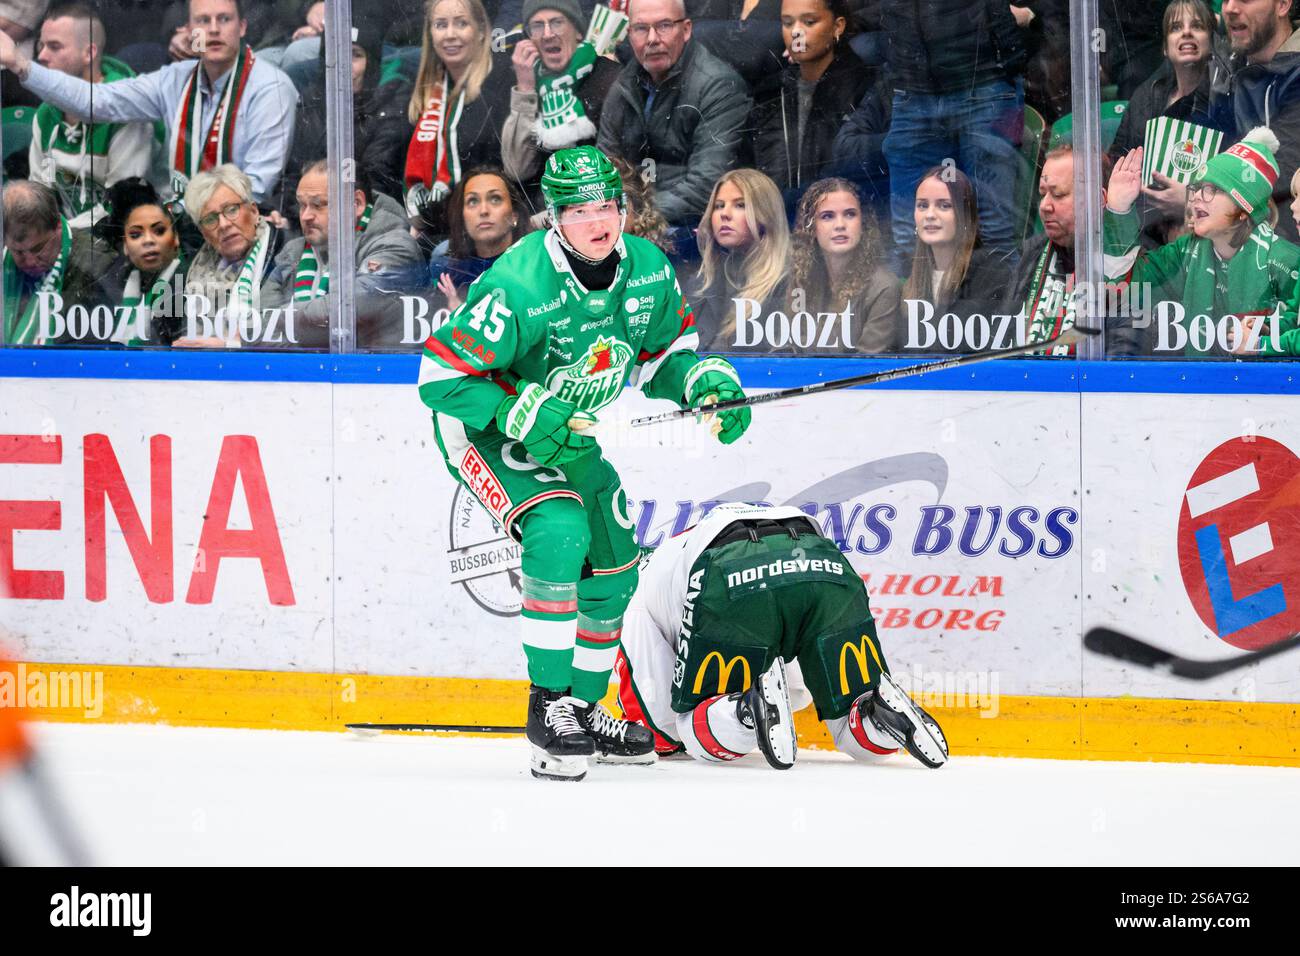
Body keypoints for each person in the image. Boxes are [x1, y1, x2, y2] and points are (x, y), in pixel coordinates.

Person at [417, 145, 753, 781]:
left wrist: (706, 382)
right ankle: (547, 710)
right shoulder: (518, 284)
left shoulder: (648, 270)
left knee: (614, 567)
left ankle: (580, 707)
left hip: (564, 432)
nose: (600, 222)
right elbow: (438, 377)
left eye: (609, 206)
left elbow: (661, 358)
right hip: (483, 428)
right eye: (581, 211)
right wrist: (523, 414)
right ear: (553, 217)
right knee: (559, 529)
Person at [613, 503, 949, 769]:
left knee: (693, 729)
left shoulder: (626, 595)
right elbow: (792, 686)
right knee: (850, 724)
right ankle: (879, 712)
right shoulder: (669, 552)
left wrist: (677, 733)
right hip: (821, 558)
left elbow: (656, 726)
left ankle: (745, 709)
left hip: (732, 572)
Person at [0, 0, 300, 205]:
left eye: (224, 19)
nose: (213, 29)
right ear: (188, 30)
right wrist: (21, 65)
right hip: (181, 224)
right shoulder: (174, 79)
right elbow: (97, 101)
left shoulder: (271, 87)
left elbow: (257, 188)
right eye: (203, 20)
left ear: (243, 27)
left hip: (241, 227)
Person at [1106, 133, 1300, 358]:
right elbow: (1123, 288)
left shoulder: (1287, 262)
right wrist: (1118, 211)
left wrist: (1264, 341)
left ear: (1243, 211)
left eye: (1213, 189)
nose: (1197, 196)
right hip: (1198, 389)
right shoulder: (1185, 252)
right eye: (1198, 188)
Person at [878, 0, 1028, 265]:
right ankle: (918, 305)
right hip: (912, 84)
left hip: (983, 78)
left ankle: (1002, 303)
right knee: (909, 237)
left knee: (994, 230)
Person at [596, 0, 752, 225]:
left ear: (686, 29)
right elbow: (605, 169)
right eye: (641, 29)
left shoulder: (718, 86)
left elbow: (706, 187)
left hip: (693, 228)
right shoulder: (624, 84)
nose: (652, 39)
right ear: (629, 34)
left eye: (664, 25)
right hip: (632, 223)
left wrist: (633, 219)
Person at [261, 160, 425, 349]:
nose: (305, 216)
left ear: (357, 204)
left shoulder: (396, 248)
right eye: (301, 205)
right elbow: (256, 326)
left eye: (318, 204)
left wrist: (281, 322)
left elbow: (344, 315)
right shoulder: (293, 252)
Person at [1107, 0, 1226, 247]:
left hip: (1202, 238)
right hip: (1141, 230)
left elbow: (1235, 187)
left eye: (1197, 26)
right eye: (1175, 28)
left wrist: (1189, 201)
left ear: (1212, 40)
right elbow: (1117, 156)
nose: (1186, 32)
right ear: (1164, 46)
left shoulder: (1225, 101)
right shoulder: (1147, 95)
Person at [27, 3, 156, 230]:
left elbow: (122, 208)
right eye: (41, 45)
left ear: (89, 53)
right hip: (67, 238)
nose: (42, 56)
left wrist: (60, 237)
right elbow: (38, 196)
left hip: (132, 239)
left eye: (54, 47)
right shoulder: (46, 114)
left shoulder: (126, 111)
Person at [1003, 145, 1134, 356]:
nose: (1045, 206)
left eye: (1058, 194)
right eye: (1042, 194)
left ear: (1098, 200)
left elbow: (1124, 364)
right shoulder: (1032, 254)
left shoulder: (1127, 261)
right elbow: (1005, 343)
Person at [403, 0, 514, 241]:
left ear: (482, 30)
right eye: (441, 25)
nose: (450, 35)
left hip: (486, 226)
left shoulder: (500, 82)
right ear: (430, 33)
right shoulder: (423, 92)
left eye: (461, 23)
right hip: (437, 224)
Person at [280, 19, 411, 210]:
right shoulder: (312, 100)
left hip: (366, 217)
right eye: (336, 54)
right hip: (309, 215)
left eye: (354, 55)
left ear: (371, 63)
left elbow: (377, 182)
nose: (343, 66)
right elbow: (292, 176)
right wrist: (285, 213)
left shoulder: (394, 101)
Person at [747, 0, 872, 196]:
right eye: (788, 23)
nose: (796, 32)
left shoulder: (862, 87)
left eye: (809, 22)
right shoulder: (770, 92)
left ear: (837, 26)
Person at [500, 0, 622, 199]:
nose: (548, 34)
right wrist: (525, 91)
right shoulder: (526, 80)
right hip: (543, 211)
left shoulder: (609, 77)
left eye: (557, 23)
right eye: (537, 26)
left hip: (597, 203)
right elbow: (516, 169)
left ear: (578, 32)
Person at [1211, 0, 1300, 241]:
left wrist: (1203, 197)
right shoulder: (1223, 66)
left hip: (1284, 252)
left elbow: (1280, 175)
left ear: (1282, 5)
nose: (1229, 8)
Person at [901, 166, 1013, 352]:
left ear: (964, 216)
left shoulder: (992, 273)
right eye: (922, 205)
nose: (930, 215)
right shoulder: (910, 276)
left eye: (944, 205)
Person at [786, 176, 901, 353]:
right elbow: (785, 350)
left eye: (850, 214)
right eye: (827, 216)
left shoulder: (884, 287)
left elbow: (864, 368)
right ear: (811, 228)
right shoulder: (801, 279)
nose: (840, 225)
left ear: (863, 224)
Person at [179, 163, 288, 348]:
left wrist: (229, 345)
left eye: (231, 210)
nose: (223, 224)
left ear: (253, 211)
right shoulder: (190, 273)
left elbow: (292, 337)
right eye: (210, 219)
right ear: (203, 233)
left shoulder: (285, 255)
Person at [2, 179, 114, 346]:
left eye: (38, 248)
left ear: (58, 227)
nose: (30, 261)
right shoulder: (4, 264)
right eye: (18, 252)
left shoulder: (97, 265)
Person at [691, 167, 790, 352]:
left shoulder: (789, 282)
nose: (724, 214)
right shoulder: (701, 283)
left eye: (740, 205)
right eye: (719, 206)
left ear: (766, 214)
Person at [429, 167, 533, 311]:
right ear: (462, 216)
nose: (483, 210)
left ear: (514, 214)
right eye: (473, 201)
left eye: (495, 199)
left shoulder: (536, 265)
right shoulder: (449, 276)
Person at [99, 177, 187, 346]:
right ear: (125, 245)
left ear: (176, 238)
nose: (148, 240)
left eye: (159, 231)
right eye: (135, 234)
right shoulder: (113, 283)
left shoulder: (188, 285)